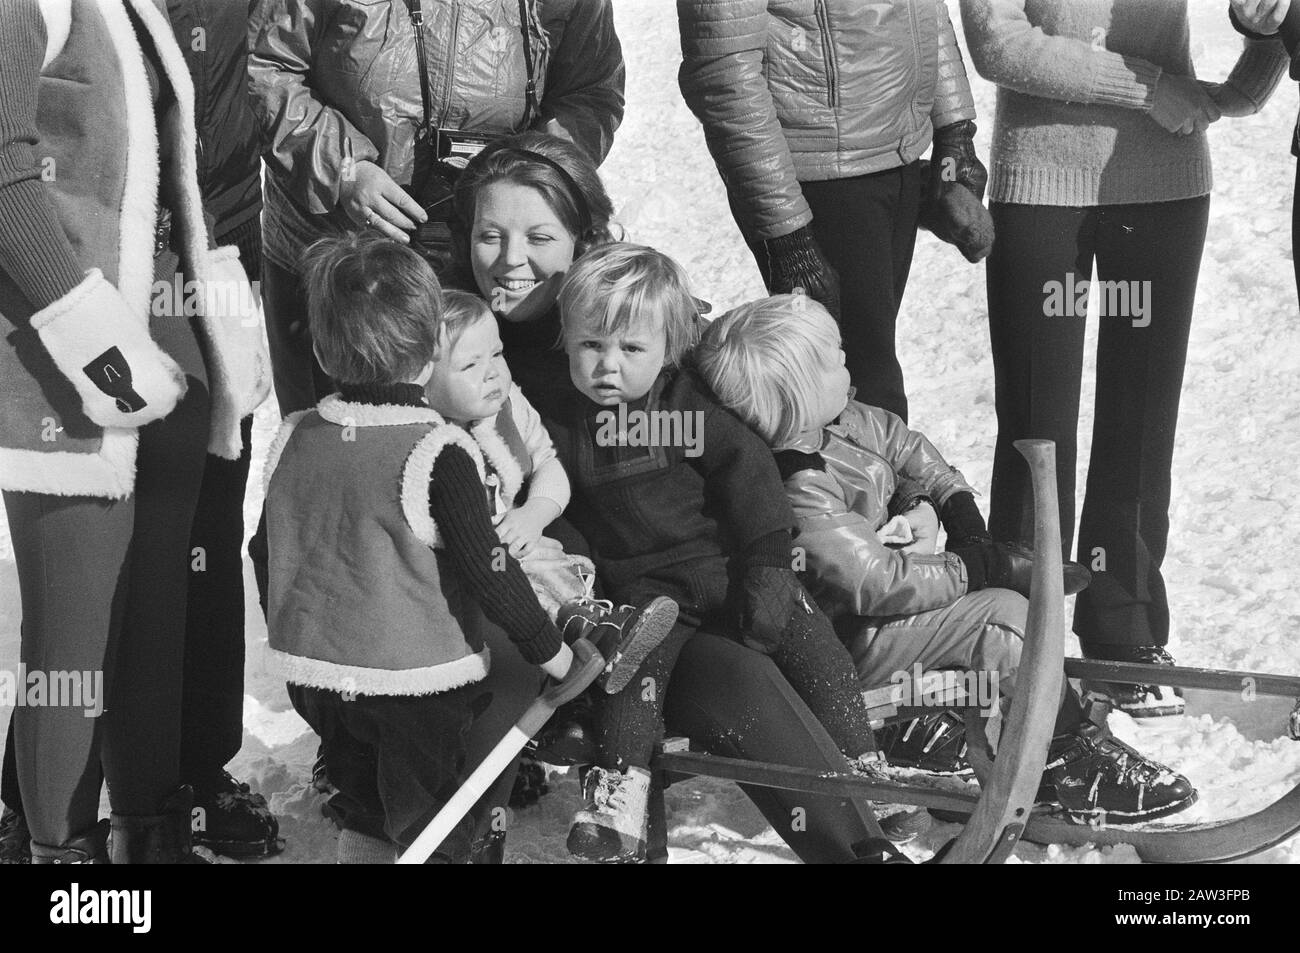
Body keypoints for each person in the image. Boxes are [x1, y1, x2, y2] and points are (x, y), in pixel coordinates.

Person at [696, 295, 1200, 824]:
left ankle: (1025, 736)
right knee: (1003, 619)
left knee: (1002, 606)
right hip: (846, 643)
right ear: (797, 396)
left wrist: (955, 509)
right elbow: (874, 582)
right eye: (832, 359)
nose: (847, 361)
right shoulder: (798, 483)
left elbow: (902, 444)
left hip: (881, 618)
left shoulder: (842, 423)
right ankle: (1065, 760)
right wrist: (977, 568)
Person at [960, 0, 1288, 717]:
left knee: (1141, 420)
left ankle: (1123, 628)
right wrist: (1149, 87)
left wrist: (1246, 81)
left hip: (1166, 183)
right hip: (1042, 182)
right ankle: (1023, 629)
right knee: (1036, 422)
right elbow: (998, 43)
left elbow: (1270, 11)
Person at [0, 0, 268, 863]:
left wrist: (214, 322)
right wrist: (88, 330)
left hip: (172, 324)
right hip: (62, 355)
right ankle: (65, 868)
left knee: (155, 612)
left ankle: (152, 843)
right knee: (73, 643)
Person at [549, 244, 882, 862]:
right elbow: (563, 508)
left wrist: (769, 564)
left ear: (668, 347)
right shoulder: (563, 428)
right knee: (632, 682)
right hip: (647, 596)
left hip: (725, 571)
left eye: (631, 349)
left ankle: (865, 768)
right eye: (590, 345)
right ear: (566, 339)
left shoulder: (682, 406)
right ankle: (616, 803)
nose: (607, 366)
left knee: (815, 647)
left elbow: (748, 477)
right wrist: (580, 572)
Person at [265, 234, 580, 863]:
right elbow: (489, 569)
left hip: (318, 680)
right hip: (413, 684)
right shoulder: (436, 449)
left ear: (322, 348)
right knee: (430, 819)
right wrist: (553, 654)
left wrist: (295, 633)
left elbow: (266, 550)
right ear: (431, 345)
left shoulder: (297, 434)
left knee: (363, 799)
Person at [247, 0, 625, 417]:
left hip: (494, 260)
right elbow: (264, 67)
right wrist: (342, 167)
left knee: (504, 440)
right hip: (341, 261)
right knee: (345, 438)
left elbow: (592, 89)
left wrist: (528, 178)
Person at [677, 0, 993, 421]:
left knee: (866, 371)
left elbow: (926, 10)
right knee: (857, 384)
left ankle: (876, 461)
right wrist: (787, 237)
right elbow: (725, 73)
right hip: (817, 177)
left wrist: (955, 131)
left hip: (894, 157)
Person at [422, 290, 680, 691]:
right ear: (422, 379)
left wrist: (534, 513)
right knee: (528, 574)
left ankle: (595, 629)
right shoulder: (424, 437)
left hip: (512, 543)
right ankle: (590, 634)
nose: (492, 373)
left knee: (556, 561)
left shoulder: (508, 405)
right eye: (470, 365)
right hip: (466, 567)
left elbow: (548, 461)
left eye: (497, 354)